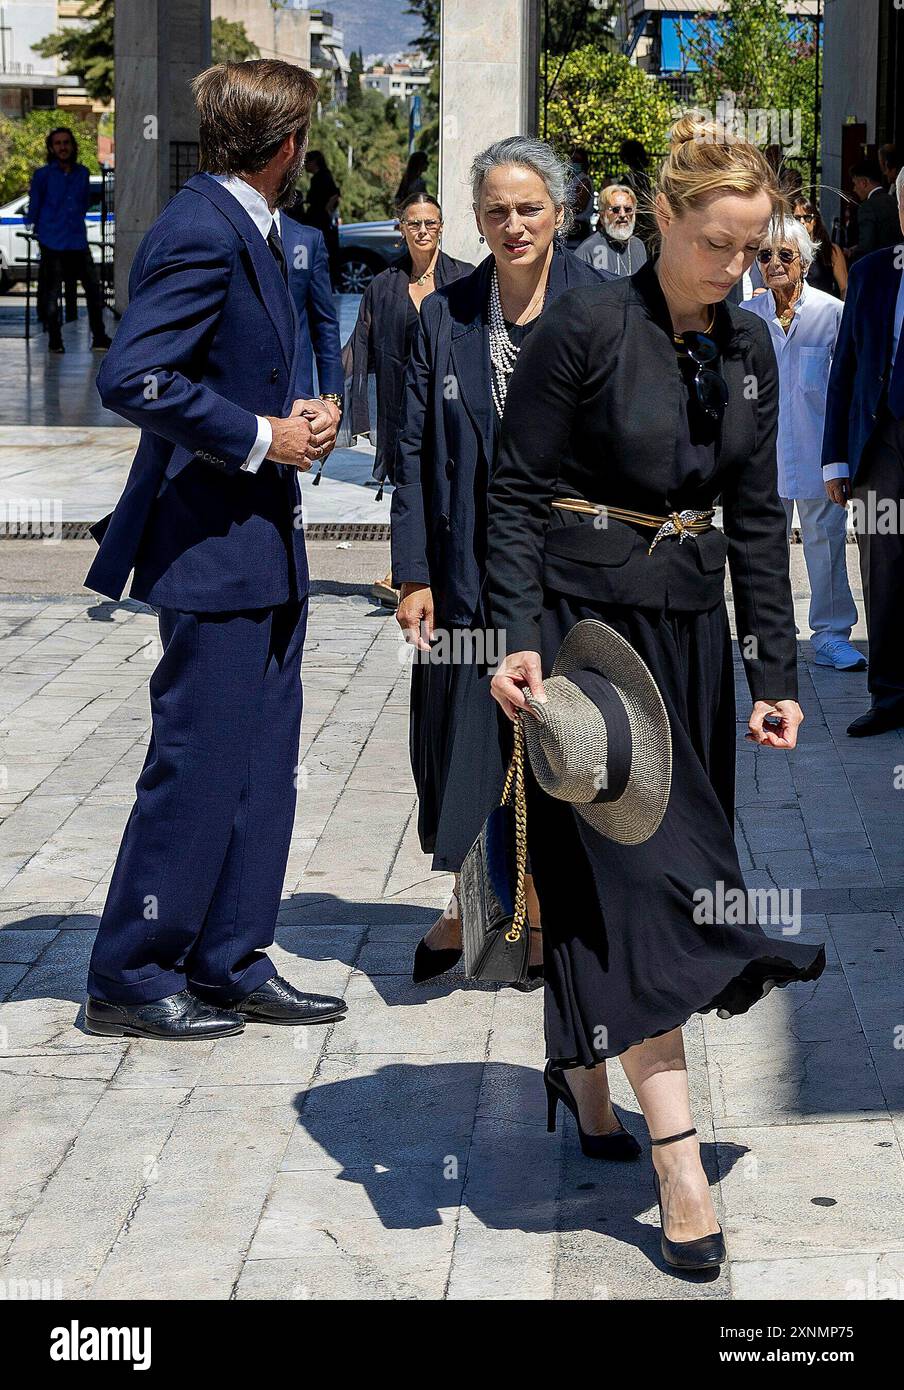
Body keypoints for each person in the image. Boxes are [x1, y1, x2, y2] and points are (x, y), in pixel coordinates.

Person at [486, 116, 826, 1271]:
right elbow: (514, 489)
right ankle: (680, 1161)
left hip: (689, 645)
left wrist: (772, 673)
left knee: (610, 883)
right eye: (717, 245)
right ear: (664, 218)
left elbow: (756, 519)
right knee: (648, 883)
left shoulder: (746, 347)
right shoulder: (583, 322)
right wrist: (520, 639)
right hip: (588, 649)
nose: (735, 269)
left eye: (752, 250)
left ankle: (586, 1084)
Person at [82, 60, 347, 1039]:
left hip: (263, 547)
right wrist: (257, 436)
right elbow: (133, 376)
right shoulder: (201, 228)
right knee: (197, 765)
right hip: (210, 546)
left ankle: (229, 959)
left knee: (261, 766)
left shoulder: (257, 228)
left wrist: (299, 419)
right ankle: (129, 973)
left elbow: (244, 363)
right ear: (288, 146)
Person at [391, 139, 622, 1025]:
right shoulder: (443, 316)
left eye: (530, 208)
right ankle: (470, 904)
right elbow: (411, 453)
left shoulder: (598, 309)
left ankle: (541, 911)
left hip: (563, 571)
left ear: (560, 213)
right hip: (463, 570)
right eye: (496, 210)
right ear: (475, 220)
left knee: (552, 738)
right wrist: (412, 571)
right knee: (461, 742)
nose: (513, 224)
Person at [341, 192, 472, 606]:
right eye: (413, 223)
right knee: (409, 486)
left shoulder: (463, 279)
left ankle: (444, 570)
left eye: (430, 223)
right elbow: (359, 344)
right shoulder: (383, 285)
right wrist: (335, 398)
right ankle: (406, 571)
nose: (422, 231)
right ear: (401, 228)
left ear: (441, 227)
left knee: (451, 483)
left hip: (452, 403)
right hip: (403, 407)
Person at [741, 217, 861, 671]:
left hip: (818, 452)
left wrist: (840, 461)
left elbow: (847, 390)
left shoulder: (831, 313)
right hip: (762, 455)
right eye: (765, 255)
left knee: (826, 542)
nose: (773, 264)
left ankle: (831, 634)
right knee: (764, 549)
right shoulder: (747, 318)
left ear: (805, 262)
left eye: (784, 255)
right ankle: (773, 637)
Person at [822, 168, 904, 737]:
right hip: (881, 445)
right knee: (884, 569)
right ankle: (891, 695)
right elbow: (844, 369)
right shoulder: (874, 273)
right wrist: (835, 458)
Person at [26, 127, 110, 354]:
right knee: (52, 294)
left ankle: (99, 337)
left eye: (66, 143)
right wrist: (37, 229)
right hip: (52, 241)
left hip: (77, 241)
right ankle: (55, 339)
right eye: (58, 143)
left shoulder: (82, 173)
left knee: (93, 290)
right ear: (51, 148)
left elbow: (83, 203)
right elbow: (34, 206)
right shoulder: (43, 176)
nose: (62, 147)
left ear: (72, 145)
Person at [574, 183, 647, 277]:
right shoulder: (589, 249)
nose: (622, 215)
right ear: (602, 215)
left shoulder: (638, 245)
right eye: (615, 209)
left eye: (628, 209)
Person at [792, 196, 847, 298]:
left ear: (815, 221)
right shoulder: (784, 252)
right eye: (797, 218)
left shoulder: (831, 251)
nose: (802, 222)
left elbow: (844, 288)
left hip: (825, 310)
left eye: (807, 217)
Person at [847, 158, 900, 262]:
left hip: (878, 266)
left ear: (864, 183)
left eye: (855, 183)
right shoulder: (894, 201)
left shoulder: (867, 207)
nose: (854, 189)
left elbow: (866, 247)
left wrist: (852, 253)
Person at [301, 150, 341, 284]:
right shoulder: (320, 177)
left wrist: (328, 209)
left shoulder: (322, 177)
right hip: (318, 216)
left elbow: (334, 194)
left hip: (320, 218)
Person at [566, 146, 595, 244]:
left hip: (579, 228)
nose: (573, 163)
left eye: (577, 160)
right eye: (572, 159)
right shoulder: (572, 180)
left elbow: (579, 207)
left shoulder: (584, 181)